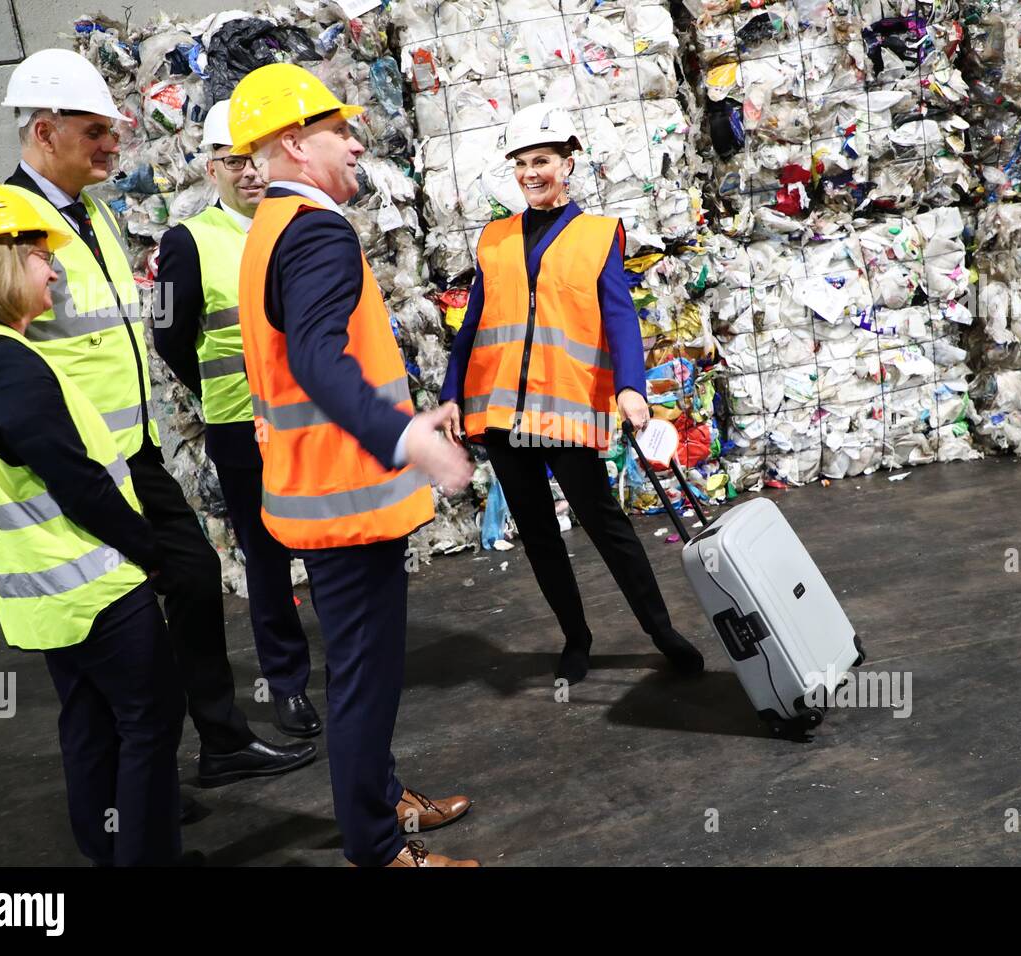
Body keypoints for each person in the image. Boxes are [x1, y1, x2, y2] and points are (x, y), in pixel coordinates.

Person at [0, 49, 313, 787]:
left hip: (130, 452)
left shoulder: (94, 214)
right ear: (45, 132)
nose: (113, 146)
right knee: (120, 621)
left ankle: (212, 745)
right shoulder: (2, 224)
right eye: (97, 131)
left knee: (191, 579)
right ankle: (138, 786)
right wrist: (9, 454)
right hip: (68, 466)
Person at [230, 63, 478, 867]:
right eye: (340, 131)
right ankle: (377, 848)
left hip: (320, 490)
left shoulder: (269, 225)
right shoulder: (316, 230)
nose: (354, 142)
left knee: (361, 671)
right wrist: (409, 442)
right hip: (346, 499)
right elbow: (317, 362)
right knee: (366, 680)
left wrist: (405, 417)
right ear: (296, 144)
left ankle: (383, 802)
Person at [0, 181, 185, 865]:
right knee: (147, 724)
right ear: (5, 263)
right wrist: (149, 549)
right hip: (93, 588)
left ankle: (110, 847)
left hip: (49, 598)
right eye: (42, 257)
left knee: (92, 725)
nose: (56, 269)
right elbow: (79, 484)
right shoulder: (9, 363)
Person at [439, 103, 705, 685]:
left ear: (567, 164)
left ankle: (661, 632)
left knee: (605, 524)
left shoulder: (596, 234)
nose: (531, 173)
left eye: (542, 161)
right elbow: (474, 324)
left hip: (560, 407)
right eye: (521, 164)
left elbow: (619, 315)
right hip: (500, 409)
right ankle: (575, 637)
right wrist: (452, 392)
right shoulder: (494, 237)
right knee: (536, 531)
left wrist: (632, 389)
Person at [153, 101, 320, 739]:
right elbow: (168, 333)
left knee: (328, 543)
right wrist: (216, 392)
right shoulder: (186, 241)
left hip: (312, 419)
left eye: (256, 160)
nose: (249, 174)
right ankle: (287, 683)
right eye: (233, 162)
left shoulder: (298, 225)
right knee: (267, 555)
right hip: (241, 425)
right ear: (210, 168)